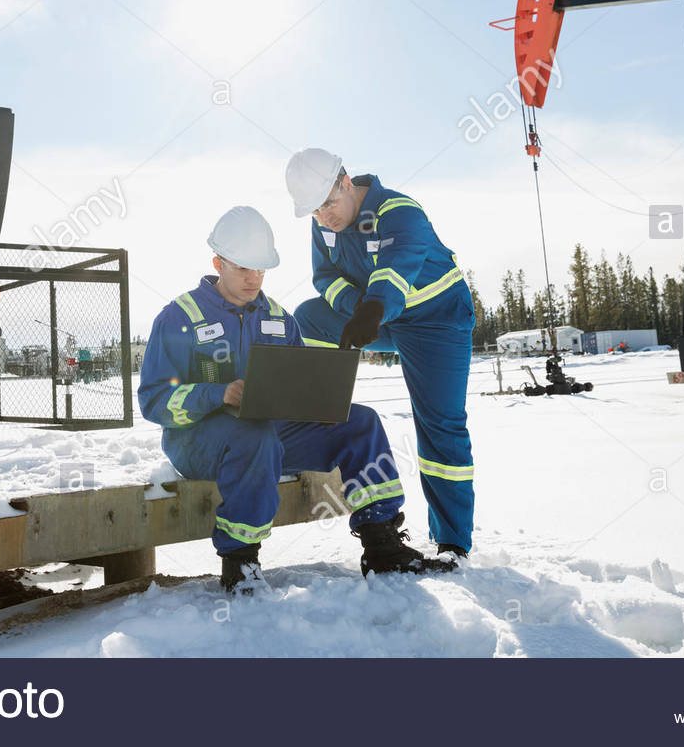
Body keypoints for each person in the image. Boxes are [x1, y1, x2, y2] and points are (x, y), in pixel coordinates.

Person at [138, 205, 451, 596]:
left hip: (269, 436)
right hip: (198, 443)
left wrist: (317, 402)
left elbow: (297, 384)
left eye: (261, 269)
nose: (254, 279)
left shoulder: (280, 318)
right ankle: (241, 561)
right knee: (254, 437)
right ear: (218, 262)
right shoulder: (180, 317)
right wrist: (218, 394)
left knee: (361, 422)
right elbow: (153, 400)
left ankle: (381, 543)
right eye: (243, 269)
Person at [285, 148, 475, 566]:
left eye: (329, 204)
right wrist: (358, 307)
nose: (324, 217)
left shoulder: (400, 211)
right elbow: (324, 276)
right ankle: (312, 421)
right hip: (375, 317)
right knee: (308, 318)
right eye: (313, 211)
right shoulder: (325, 224)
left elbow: (395, 270)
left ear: (346, 182)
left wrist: (371, 309)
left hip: (435, 322)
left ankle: (453, 543)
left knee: (441, 424)